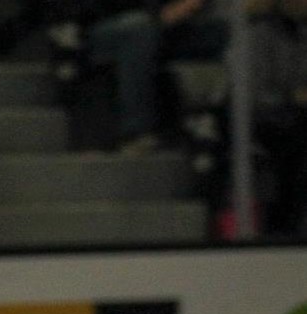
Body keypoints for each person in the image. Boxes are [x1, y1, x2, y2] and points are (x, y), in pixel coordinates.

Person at [84, 0, 228, 153]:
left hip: (172, 25)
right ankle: (136, 133)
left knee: (221, 29)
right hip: (109, 23)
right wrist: (160, 14)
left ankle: (215, 140)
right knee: (140, 28)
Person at [250, 0, 307, 235]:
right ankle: (283, 229)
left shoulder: (301, 33)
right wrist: (293, 97)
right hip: (268, 121)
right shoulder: (259, 34)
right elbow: (255, 94)